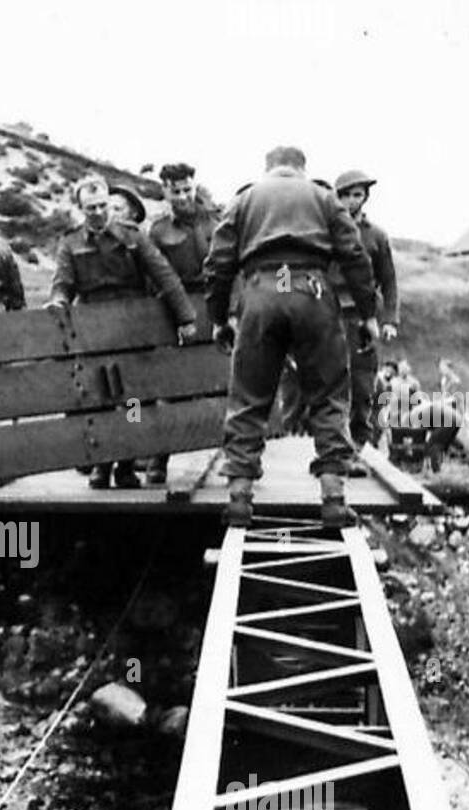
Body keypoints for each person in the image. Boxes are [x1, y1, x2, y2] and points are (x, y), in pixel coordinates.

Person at [201, 145, 379, 527]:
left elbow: (218, 264)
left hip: (262, 290)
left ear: (268, 168)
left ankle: (239, 498)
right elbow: (355, 257)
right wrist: (368, 315)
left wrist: (218, 317)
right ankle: (333, 497)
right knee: (329, 393)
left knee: (249, 395)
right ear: (301, 168)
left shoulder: (245, 199)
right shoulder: (324, 197)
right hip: (311, 291)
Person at [48, 175, 199, 489]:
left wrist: (185, 317)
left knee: (133, 401)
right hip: (93, 329)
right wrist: (59, 300)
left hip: (133, 327)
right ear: (80, 209)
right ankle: (102, 466)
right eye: (91, 208)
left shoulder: (133, 237)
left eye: (103, 206)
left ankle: (127, 464)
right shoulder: (71, 242)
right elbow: (63, 283)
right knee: (99, 399)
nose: (99, 213)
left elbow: (164, 276)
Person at [146, 162, 219, 483]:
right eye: (176, 191)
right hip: (176, 311)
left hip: (214, 305)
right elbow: (155, 279)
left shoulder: (218, 221)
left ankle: (239, 459)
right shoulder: (158, 231)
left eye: (187, 189)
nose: (183, 196)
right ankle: (159, 459)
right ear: (165, 192)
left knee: (223, 384)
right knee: (171, 388)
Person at [330, 170, 399, 471]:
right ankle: (332, 449)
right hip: (328, 316)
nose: (351, 201)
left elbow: (389, 280)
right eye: (344, 195)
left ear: (365, 198)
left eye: (357, 194)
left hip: (363, 320)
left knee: (362, 387)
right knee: (329, 385)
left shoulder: (376, 236)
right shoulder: (323, 231)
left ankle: (359, 446)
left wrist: (389, 320)